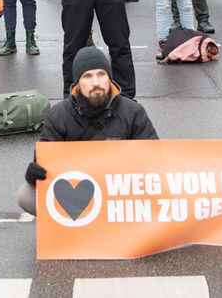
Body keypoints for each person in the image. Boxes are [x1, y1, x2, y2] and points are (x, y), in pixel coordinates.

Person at [17, 47, 158, 215]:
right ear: (77, 84)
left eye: (101, 74)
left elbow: (153, 159)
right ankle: (72, 220)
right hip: (79, 191)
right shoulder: (59, 114)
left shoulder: (133, 111)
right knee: (27, 195)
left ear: (110, 79)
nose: (96, 82)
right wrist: (34, 173)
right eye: (87, 76)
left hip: (121, 192)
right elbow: (45, 161)